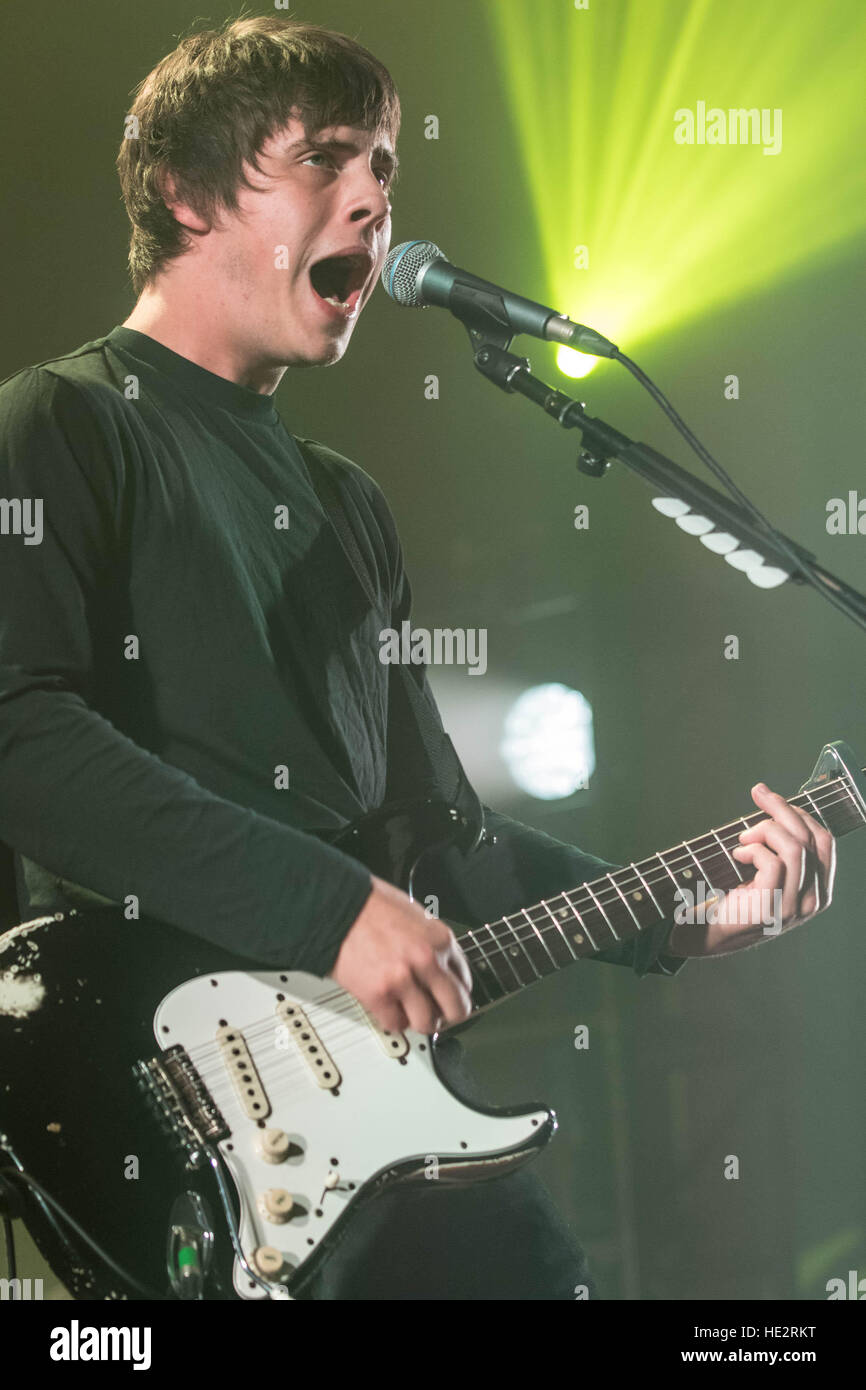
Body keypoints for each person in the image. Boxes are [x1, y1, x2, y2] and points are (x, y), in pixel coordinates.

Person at [0, 16, 835, 1300]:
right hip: (162, 1097)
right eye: (329, 157)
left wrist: (678, 914)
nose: (377, 198)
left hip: (375, 1132)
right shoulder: (63, 422)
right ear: (184, 189)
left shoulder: (344, 504)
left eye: (387, 164)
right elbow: (23, 737)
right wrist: (326, 906)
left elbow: (435, 837)